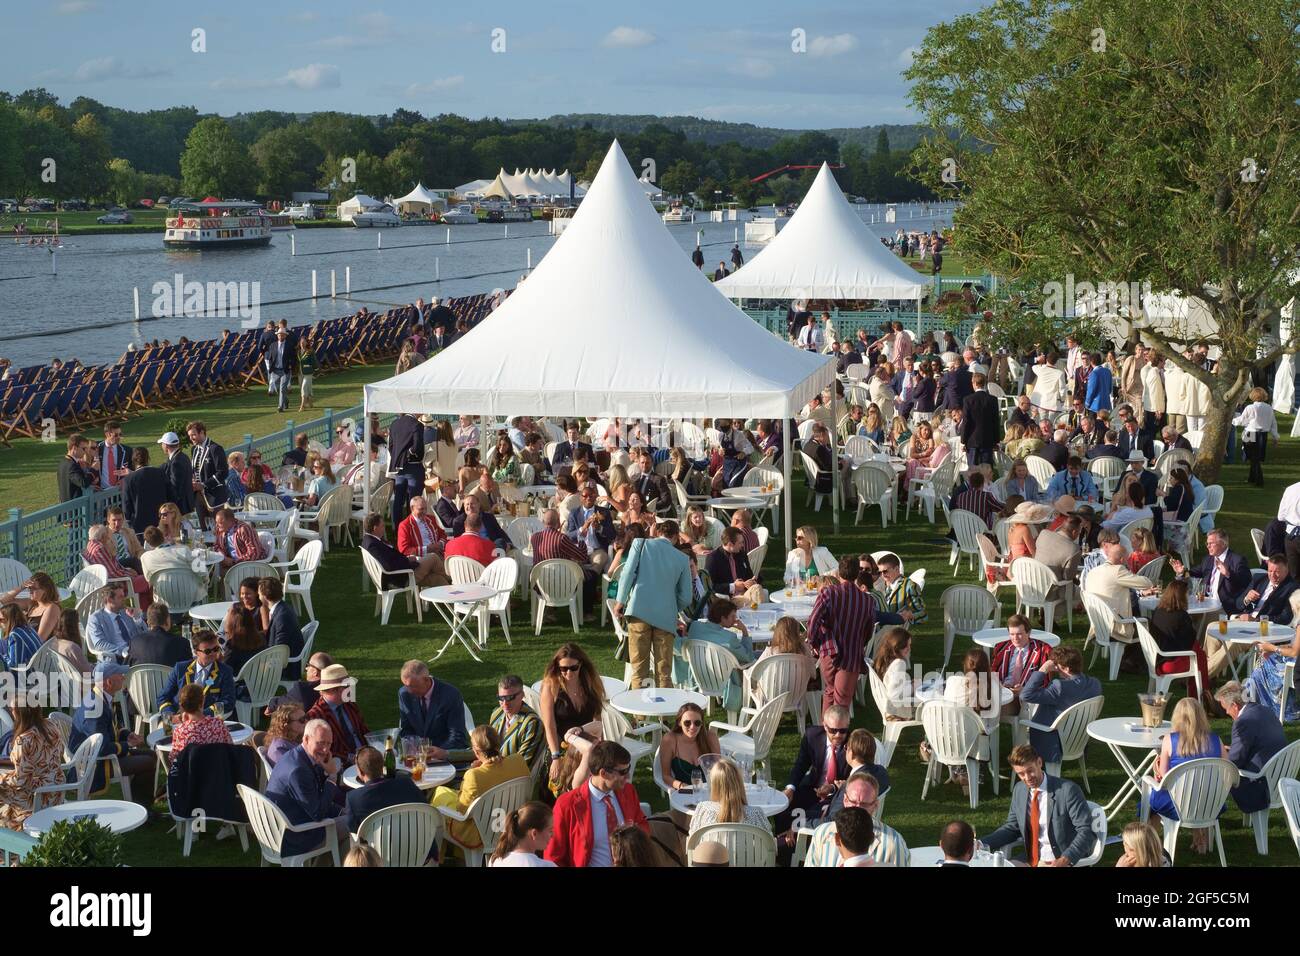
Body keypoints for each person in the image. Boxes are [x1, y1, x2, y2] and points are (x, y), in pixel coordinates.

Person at [982, 744, 1096, 865]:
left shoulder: (1068, 790)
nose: (1027, 778)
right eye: (1021, 774)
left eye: (1030, 771)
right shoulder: (1019, 789)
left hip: (1058, 859)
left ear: (1039, 762)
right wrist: (982, 843)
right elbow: (1012, 827)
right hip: (1031, 858)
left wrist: (1065, 859)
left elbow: (1086, 831)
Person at [614, 520, 692, 689]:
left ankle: (640, 715)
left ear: (657, 532)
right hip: (666, 617)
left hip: (638, 612)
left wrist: (620, 601)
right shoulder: (682, 558)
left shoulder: (640, 544)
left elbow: (627, 573)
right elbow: (686, 597)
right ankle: (664, 715)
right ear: (676, 537)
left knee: (639, 669)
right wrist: (672, 607)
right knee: (664, 671)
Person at [545, 740, 649, 867]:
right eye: (622, 772)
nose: (628, 776)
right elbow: (553, 856)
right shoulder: (567, 805)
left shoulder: (628, 791)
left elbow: (642, 823)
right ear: (603, 773)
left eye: (628, 768)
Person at [70, 662, 158, 809]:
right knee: (148, 762)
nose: (124, 678)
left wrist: (127, 735)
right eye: (120, 675)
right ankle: (142, 809)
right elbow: (101, 748)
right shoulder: (94, 708)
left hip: (102, 755)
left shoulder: (102, 698)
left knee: (151, 755)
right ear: (108, 682)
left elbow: (111, 730)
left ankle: (141, 804)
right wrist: (127, 745)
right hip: (94, 763)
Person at [805, 556, 886, 710]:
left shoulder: (828, 593)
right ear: (857, 574)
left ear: (839, 573)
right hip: (851, 654)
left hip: (829, 652)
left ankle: (828, 732)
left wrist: (815, 643)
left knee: (830, 692)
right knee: (841, 701)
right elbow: (868, 631)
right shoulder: (867, 600)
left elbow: (812, 622)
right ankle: (836, 732)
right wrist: (859, 643)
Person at [432, 725, 530, 849]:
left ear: (476, 752)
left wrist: (473, 770)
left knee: (439, 800)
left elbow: (462, 810)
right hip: (513, 824)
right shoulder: (518, 761)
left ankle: (436, 856)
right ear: (498, 743)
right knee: (443, 791)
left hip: (483, 832)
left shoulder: (474, 775)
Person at [1146, 698, 1224, 853]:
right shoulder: (1216, 740)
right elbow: (1227, 770)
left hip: (1178, 804)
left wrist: (1156, 769)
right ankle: (1200, 838)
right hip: (1210, 804)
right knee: (1194, 792)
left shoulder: (1170, 740)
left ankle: (1149, 845)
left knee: (1152, 800)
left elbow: (1163, 775)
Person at [266, 718, 349, 857]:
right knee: (356, 822)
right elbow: (318, 814)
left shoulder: (296, 755)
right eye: (321, 743)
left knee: (348, 813)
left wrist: (341, 811)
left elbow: (315, 793)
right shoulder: (298, 770)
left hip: (289, 823)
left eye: (329, 744)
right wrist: (332, 777)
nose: (325, 750)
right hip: (296, 836)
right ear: (306, 739)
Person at [803, 771, 910, 866]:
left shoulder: (892, 843)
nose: (857, 808)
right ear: (845, 800)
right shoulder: (822, 833)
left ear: (875, 805)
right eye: (853, 802)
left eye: (864, 804)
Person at [1212, 681, 1286, 817]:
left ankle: (1205, 815)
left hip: (1259, 785)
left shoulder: (1243, 722)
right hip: (1280, 776)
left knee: (1213, 773)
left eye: (1226, 709)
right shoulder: (1265, 710)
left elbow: (1234, 762)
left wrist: (1219, 755)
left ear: (1235, 705)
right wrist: (1232, 749)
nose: (1227, 712)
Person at [1018, 646, 1102, 764]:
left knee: (1025, 718)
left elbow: (1025, 695)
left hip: (1054, 740)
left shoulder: (1059, 687)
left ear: (1066, 668)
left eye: (1057, 666)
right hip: (1078, 738)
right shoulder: (1095, 684)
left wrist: (1043, 669)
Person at [540, 643, 605, 789]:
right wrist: (555, 756)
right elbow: (549, 725)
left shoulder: (590, 683)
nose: (568, 673)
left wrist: (600, 741)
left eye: (573, 668)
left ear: (580, 665)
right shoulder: (551, 686)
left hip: (586, 740)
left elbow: (597, 717)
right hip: (561, 746)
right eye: (563, 669)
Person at [782, 704, 851, 828]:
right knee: (782, 806)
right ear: (824, 725)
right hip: (812, 788)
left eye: (843, 731)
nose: (838, 735)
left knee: (806, 816)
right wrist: (790, 788)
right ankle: (783, 842)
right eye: (833, 730)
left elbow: (855, 778)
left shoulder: (852, 743)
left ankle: (800, 839)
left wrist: (832, 788)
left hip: (837, 797)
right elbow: (801, 764)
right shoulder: (812, 736)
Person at [1148, 579, 1214, 704]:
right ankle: (1200, 696)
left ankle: (1201, 693)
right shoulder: (1181, 616)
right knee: (1199, 655)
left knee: (1198, 653)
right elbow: (1190, 641)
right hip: (1169, 663)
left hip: (1156, 658)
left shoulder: (1158, 611)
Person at [1244, 592, 1300, 723]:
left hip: (1294, 666)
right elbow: (1295, 646)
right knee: (1265, 659)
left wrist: (1272, 648)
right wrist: (1272, 649)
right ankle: (1251, 699)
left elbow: (1294, 653)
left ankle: (1256, 703)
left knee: (1261, 667)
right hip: (1294, 662)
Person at [156, 632, 238, 720]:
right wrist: (171, 716)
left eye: (216, 649)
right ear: (196, 652)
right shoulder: (180, 668)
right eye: (207, 651)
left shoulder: (225, 671)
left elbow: (228, 701)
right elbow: (163, 697)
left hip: (208, 720)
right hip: (180, 719)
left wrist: (199, 715)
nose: (213, 653)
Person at [1170, 528, 1251, 613]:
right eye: (1207, 543)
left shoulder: (1237, 560)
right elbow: (1194, 573)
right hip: (1206, 604)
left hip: (1225, 608)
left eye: (1211, 543)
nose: (1208, 546)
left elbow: (1247, 583)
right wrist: (1181, 572)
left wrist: (1228, 574)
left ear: (1223, 544)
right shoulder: (1208, 559)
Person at [397, 660, 467, 756]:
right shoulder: (404, 694)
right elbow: (406, 729)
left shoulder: (450, 695)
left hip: (444, 756)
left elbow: (457, 737)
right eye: (405, 685)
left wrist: (441, 753)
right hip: (417, 757)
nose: (409, 691)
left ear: (426, 680)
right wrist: (413, 748)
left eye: (412, 686)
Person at [306, 664, 369, 763]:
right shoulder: (316, 716)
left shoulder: (350, 705)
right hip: (340, 765)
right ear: (335, 690)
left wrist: (376, 747)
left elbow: (364, 732)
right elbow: (321, 751)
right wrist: (351, 758)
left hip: (365, 757)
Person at [690, 757, 769, 833]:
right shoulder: (756, 814)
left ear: (714, 785)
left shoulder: (704, 810)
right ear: (739, 782)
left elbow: (692, 840)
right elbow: (769, 842)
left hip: (711, 846)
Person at [991, 615, 1053, 713]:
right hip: (1002, 693)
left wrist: (1025, 689)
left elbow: (1046, 682)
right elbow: (993, 671)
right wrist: (998, 684)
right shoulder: (1001, 647)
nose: (1015, 638)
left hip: (1027, 698)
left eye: (1019, 634)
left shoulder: (1043, 650)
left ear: (1028, 632)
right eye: (1012, 634)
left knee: (987, 709)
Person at [84, 524, 152, 610]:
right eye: (106, 536)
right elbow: (113, 573)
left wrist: (127, 570)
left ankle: (144, 612)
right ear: (102, 537)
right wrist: (131, 574)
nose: (108, 538)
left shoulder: (91, 544)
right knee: (149, 580)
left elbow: (114, 568)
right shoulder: (100, 549)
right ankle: (148, 612)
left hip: (113, 580)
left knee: (137, 569)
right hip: (119, 584)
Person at [658, 702, 721, 791]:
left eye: (697, 723)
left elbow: (720, 770)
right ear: (679, 722)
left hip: (711, 790)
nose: (692, 727)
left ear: (702, 724)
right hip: (685, 793)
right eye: (687, 723)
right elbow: (665, 776)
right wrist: (682, 786)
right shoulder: (670, 740)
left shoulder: (710, 737)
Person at [167, 683, 234, 763]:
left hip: (192, 774)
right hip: (218, 772)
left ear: (182, 705)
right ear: (202, 701)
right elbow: (230, 748)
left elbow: (174, 759)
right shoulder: (218, 724)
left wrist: (185, 724)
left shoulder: (180, 731)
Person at [489, 675, 542, 764]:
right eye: (501, 698)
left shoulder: (532, 723)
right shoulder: (496, 714)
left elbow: (523, 763)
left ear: (522, 695)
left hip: (517, 774)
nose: (505, 703)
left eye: (510, 698)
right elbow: (488, 748)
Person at [259, 576, 304, 681]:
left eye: (259, 594)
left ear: (265, 595)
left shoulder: (282, 616)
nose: (258, 596)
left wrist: (260, 663)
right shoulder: (282, 608)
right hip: (285, 659)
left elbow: (278, 649)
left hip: (287, 667)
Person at [84, 582, 145, 661]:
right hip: (115, 658)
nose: (124, 599)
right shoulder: (96, 618)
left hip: (137, 652)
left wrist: (137, 618)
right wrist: (123, 651)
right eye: (120, 597)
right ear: (110, 600)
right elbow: (99, 644)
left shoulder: (126, 612)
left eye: (124, 596)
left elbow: (145, 633)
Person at [1234, 386, 1278, 486]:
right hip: (1263, 435)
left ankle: (1259, 480)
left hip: (1251, 433)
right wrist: (1275, 436)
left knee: (1253, 458)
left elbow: (1242, 420)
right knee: (1255, 457)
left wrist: (1232, 420)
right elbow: (1273, 423)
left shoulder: (1250, 408)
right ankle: (1252, 478)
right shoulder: (1269, 408)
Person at [491, 802, 557, 867]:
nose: (552, 835)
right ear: (534, 834)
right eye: (550, 831)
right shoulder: (546, 865)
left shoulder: (495, 861)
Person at [122, 446, 169, 536]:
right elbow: (170, 495)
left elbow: (127, 506)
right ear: (148, 458)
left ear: (134, 460)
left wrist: (128, 522)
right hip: (161, 522)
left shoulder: (128, 479)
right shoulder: (161, 473)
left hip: (140, 526)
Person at [128, 601, 191, 668]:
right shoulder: (181, 643)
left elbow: (130, 667)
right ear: (167, 620)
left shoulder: (135, 642)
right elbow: (189, 671)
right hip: (168, 678)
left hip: (142, 678)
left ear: (148, 621)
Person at [878, 552, 926, 624]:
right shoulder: (880, 585)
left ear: (897, 569)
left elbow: (923, 615)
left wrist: (910, 615)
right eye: (880, 572)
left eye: (885, 571)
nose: (882, 575)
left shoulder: (909, 586)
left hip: (892, 629)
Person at [57, 433, 94, 502]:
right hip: (74, 507)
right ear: (74, 448)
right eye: (84, 448)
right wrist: (92, 470)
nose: (86, 451)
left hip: (65, 504)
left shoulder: (62, 462)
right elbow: (83, 483)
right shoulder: (72, 465)